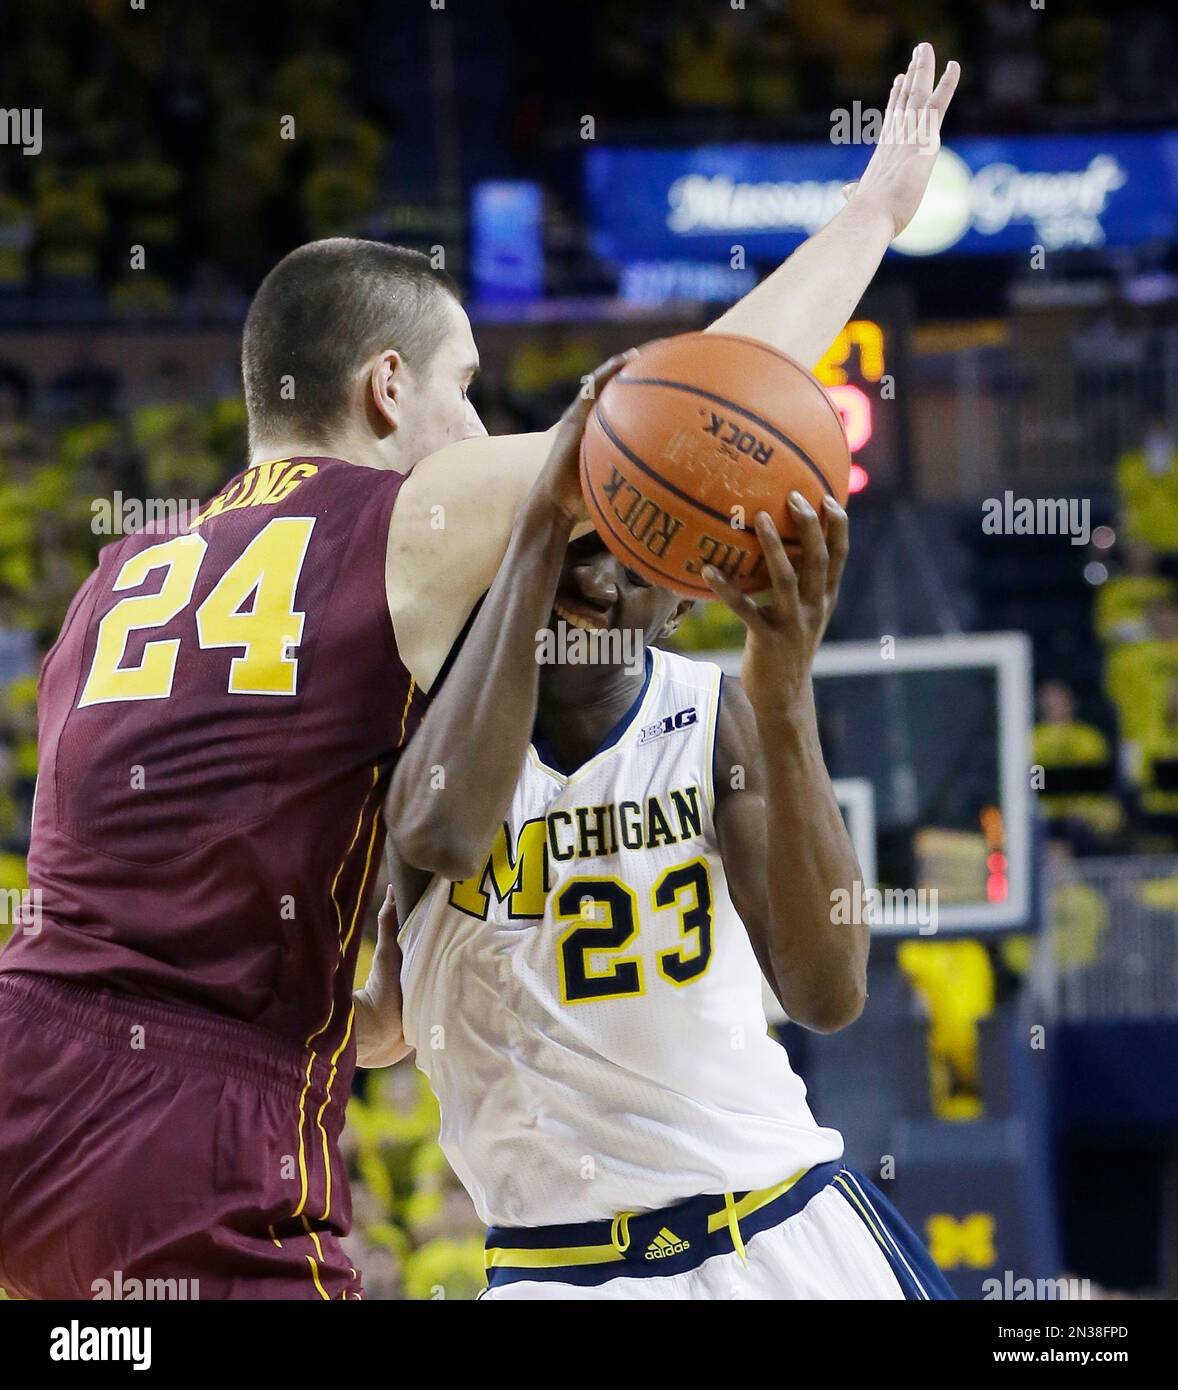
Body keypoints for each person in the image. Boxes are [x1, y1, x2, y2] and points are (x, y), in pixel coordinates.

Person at [0, 45, 958, 1299]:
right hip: (193, 1108)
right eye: (462, 388)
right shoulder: (398, 516)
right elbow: (690, 405)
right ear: (386, 387)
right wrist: (873, 211)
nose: (473, 422)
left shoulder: (118, 571)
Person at [364, 468, 954, 1298]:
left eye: (639, 567)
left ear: (680, 609)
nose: (598, 583)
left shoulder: (717, 721)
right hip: (557, 1265)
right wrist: (538, 514)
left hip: (773, 1224)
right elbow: (443, 838)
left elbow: (829, 995)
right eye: (577, 549)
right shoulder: (428, 740)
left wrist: (783, 699)